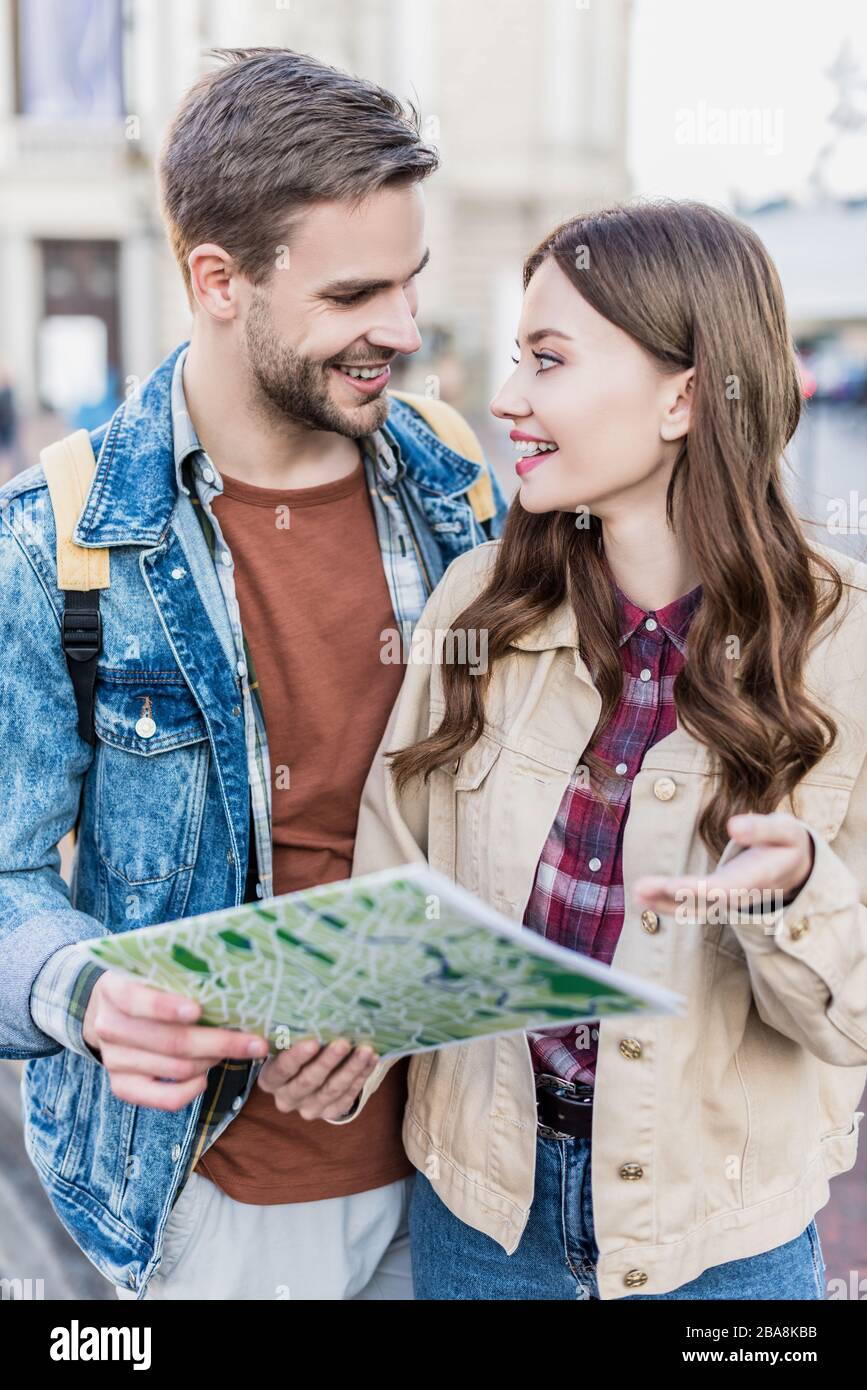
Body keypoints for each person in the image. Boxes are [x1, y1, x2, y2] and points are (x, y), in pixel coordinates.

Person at [0, 47, 506, 1301]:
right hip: (212, 1206)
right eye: (353, 294)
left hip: (468, 1180)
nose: (402, 326)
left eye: (410, 282)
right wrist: (89, 993)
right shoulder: (52, 540)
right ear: (217, 282)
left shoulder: (460, 491)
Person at [346, 199, 867, 1300]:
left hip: (723, 1249)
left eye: (548, 359)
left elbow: (845, 1026)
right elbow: (395, 896)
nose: (505, 397)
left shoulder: (844, 647)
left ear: (685, 395)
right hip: (483, 1224)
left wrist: (792, 897)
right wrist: (343, 1030)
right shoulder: (473, 608)